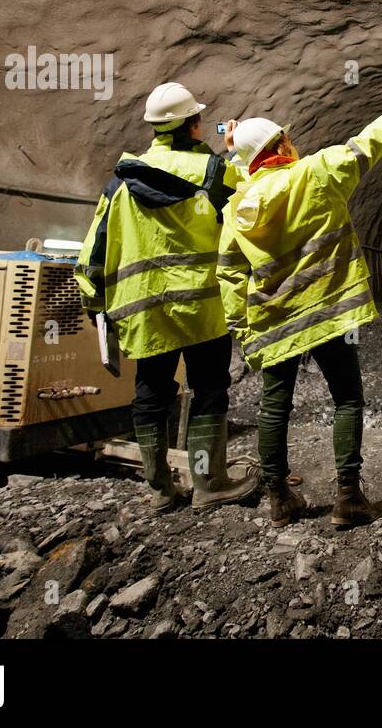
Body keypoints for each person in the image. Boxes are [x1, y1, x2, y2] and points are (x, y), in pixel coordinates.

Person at [217, 95, 382, 528]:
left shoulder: (236, 209)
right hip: (329, 314)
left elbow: (230, 277)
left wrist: (243, 331)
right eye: (286, 138)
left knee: (275, 408)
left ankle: (279, 498)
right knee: (346, 398)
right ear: (283, 145)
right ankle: (348, 497)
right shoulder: (318, 172)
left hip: (275, 323)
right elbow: (365, 147)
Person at [75, 81, 258, 512]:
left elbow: (94, 247)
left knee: (151, 394)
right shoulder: (214, 172)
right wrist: (234, 149)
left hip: (146, 312)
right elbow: (257, 195)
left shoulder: (122, 181)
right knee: (209, 389)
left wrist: (92, 300)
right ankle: (210, 483)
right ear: (194, 127)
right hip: (202, 309)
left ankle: (159, 491)